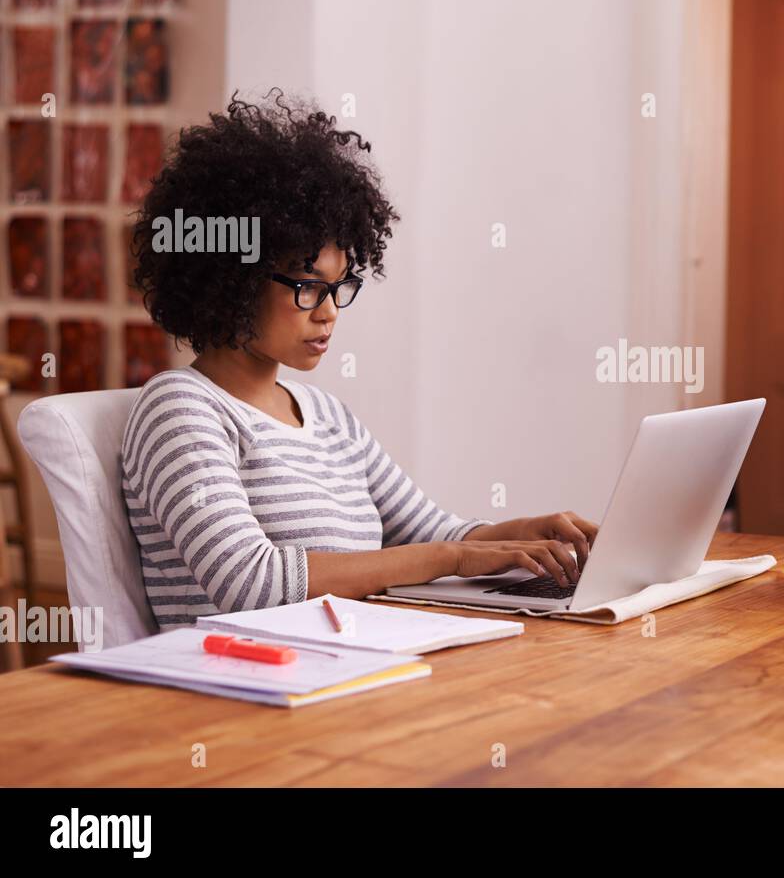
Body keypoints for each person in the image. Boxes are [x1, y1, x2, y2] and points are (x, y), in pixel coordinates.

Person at [123, 90, 596, 630]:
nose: (328, 314)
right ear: (231, 281)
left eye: (339, 286)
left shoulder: (326, 416)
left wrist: (527, 534)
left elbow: (430, 531)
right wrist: (454, 560)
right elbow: (248, 582)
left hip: (346, 673)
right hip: (238, 692)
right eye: (306, 287)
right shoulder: (180, 410)